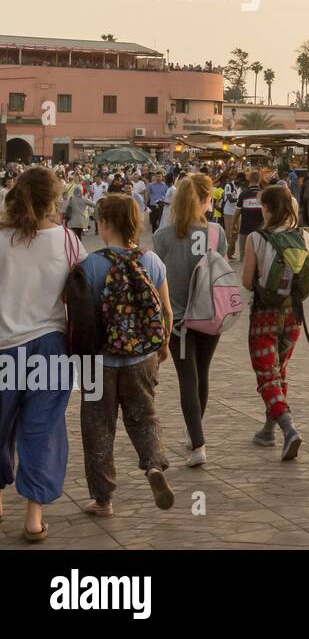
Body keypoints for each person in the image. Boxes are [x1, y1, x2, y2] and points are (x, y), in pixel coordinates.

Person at [0, 167, 88, 541]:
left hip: (3, 347)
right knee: (43, 429)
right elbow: (81, 295)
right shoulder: (68, 241)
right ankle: (33, 519)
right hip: (51, 348)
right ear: (55, 200)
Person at [76, 194, 176, 515]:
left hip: (97, 361)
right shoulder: (152, 262)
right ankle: (153, 467)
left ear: (103, 225)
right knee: (144, 415)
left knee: (97, 426)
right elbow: (166, 313)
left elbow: (80, 319)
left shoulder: (89, 266)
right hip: (141, 357)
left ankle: (103, 499)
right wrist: (162, 344)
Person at [153, 173, 227, 469]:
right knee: (203, 373)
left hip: (179, 319)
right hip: (210, 316)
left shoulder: (163, 237)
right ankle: (193, 432)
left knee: (188, 377)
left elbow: (157, 280)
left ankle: (197, 443)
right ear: (206, 200)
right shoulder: (217, 232)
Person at [240, 184, 309, 461]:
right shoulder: (303, 236)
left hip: (264, 313)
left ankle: (287, 427)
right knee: (279, 370)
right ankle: (268, 429)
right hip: (294, 314)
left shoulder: (256, 238)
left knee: (267, 375)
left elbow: (246, 282)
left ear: (267, 208)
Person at [234, 176, 265, 263]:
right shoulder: (263, 194)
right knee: (259, 256)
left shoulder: (244, 194)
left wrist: (234, 224)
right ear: (259, 181)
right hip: (261, 230)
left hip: (245, 229)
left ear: (249, 181)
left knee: (243, 256)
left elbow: (237, 212)